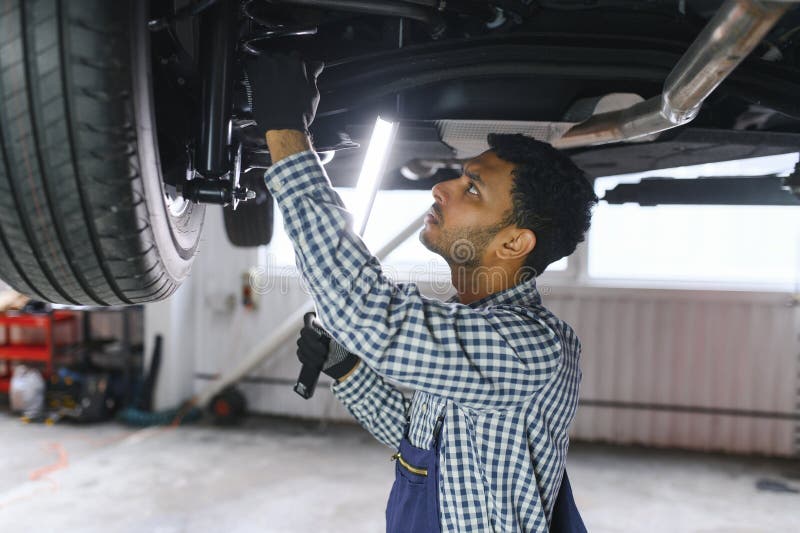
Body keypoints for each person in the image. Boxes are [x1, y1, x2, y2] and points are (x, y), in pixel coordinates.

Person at [248, 53, 596, 533]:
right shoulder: (470, 334)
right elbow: (421, 442)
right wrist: (347, 368)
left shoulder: (528, 348)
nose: (440, 188)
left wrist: (287, 134)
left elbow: (369, 311)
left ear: (514, 242)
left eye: (472, 189)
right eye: (460, 176)